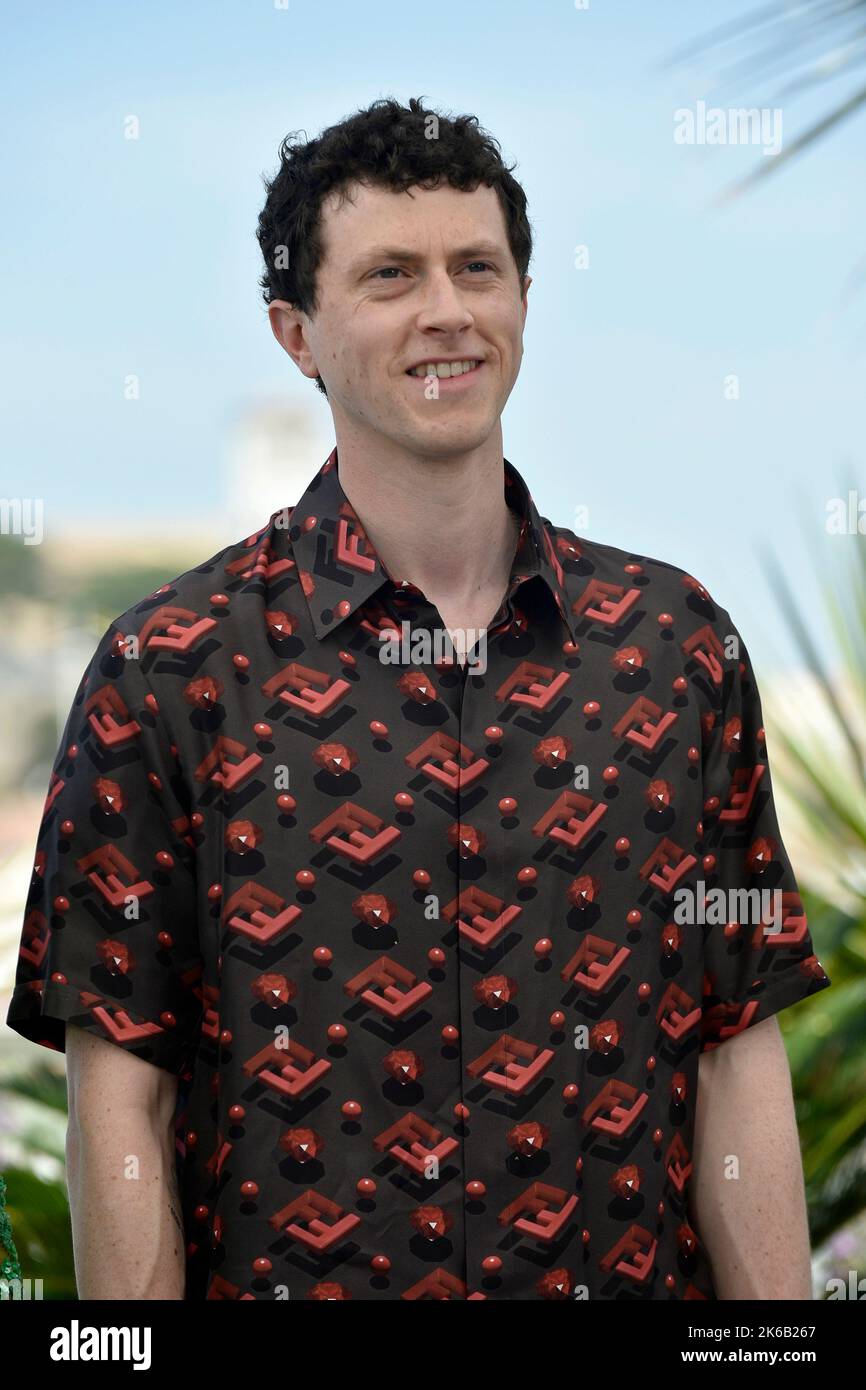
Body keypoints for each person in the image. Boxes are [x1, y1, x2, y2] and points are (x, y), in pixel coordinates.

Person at [6, 95, 831, 1301]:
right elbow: (120, 1093)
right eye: (390, 275)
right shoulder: (168, 668)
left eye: (475, 268)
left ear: (523, 302)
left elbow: (732, 1048)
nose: (445, 310)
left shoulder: (674, 647)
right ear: (295, 331)